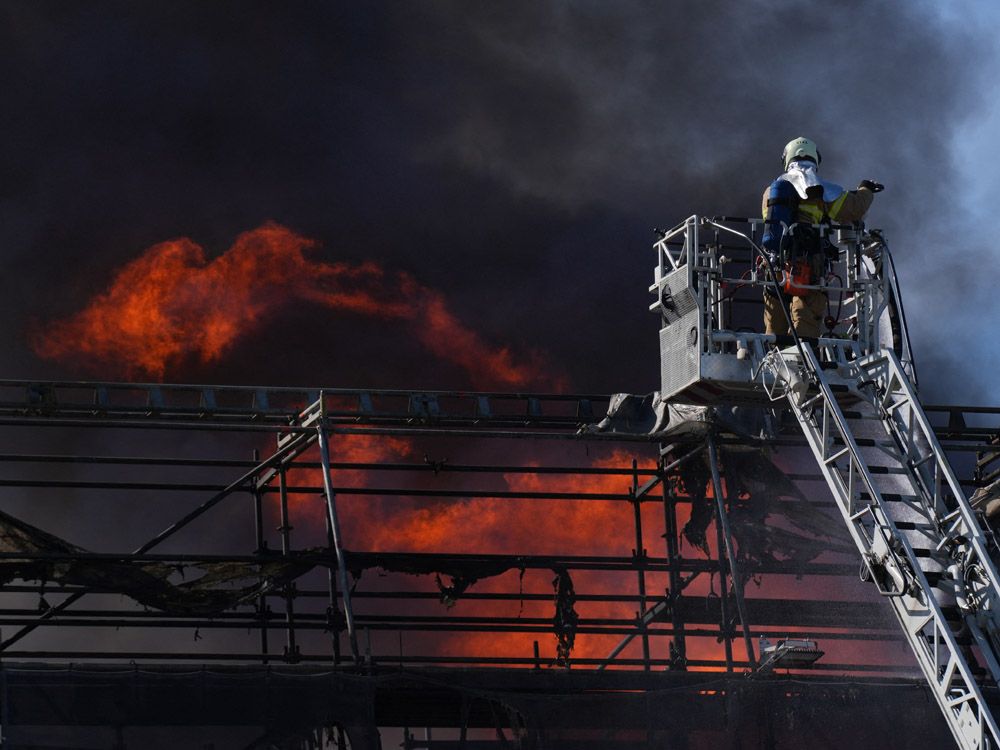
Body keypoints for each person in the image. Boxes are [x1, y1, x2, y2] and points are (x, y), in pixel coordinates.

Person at [761, 137, 883, 339]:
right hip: (806, 264)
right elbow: (854, 208)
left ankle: (774, 358)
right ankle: (801, 362)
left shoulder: (771, 191)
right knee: (805, 316)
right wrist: (865, 189)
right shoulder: (819, 188)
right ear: (815, 159)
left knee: (775, 321)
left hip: (773, 265)